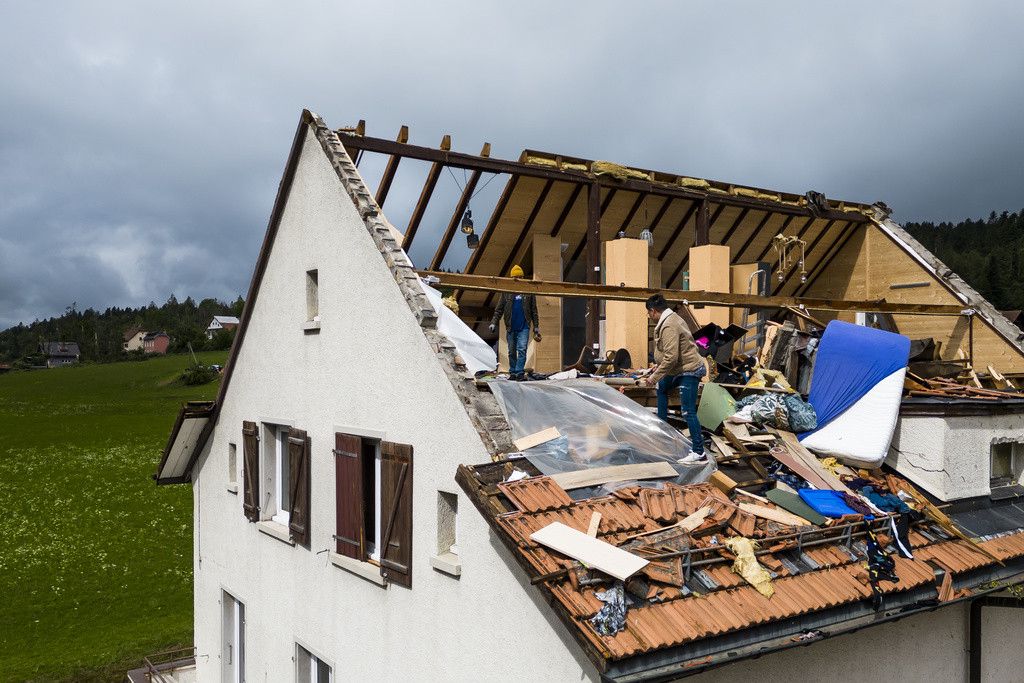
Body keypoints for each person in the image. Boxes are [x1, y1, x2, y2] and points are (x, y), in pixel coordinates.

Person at [636, 294, 707, 464]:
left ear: (653, 311)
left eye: (649, 313)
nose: (649, 316)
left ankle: (699, 452)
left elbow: (671, 358)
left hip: (689, 370)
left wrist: (653, 377)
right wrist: (656, 369)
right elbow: (667, 357)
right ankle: (663, 433)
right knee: (662, 388)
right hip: (676, 370)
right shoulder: (668, 319)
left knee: (687, 411)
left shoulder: (669, 325)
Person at [489, 265, 541, 379]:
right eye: (515, 277)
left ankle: (519, 372)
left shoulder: (529, 292)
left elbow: (534, 310)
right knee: (511, 351)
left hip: (524, 327)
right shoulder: (506, 292)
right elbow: (499, 309)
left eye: (519, 277)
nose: (517, 279)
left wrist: (536, 326)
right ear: (512, 278)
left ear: (522, 277)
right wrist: (494, 322)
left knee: (522, 349)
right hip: (511, 327)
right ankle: (512, 372)